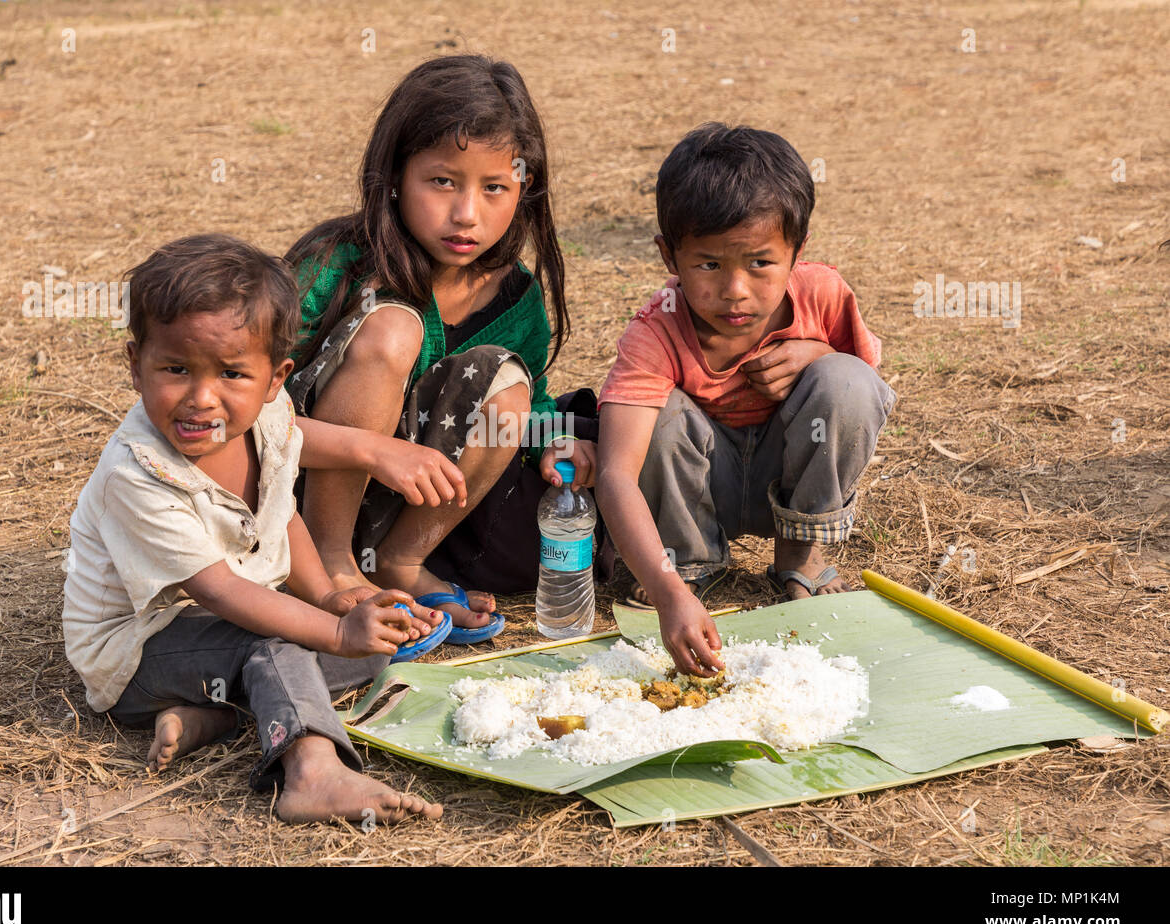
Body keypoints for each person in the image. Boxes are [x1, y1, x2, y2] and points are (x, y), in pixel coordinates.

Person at [62, 233, 443, 825]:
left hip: (223, 631)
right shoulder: (137, 474)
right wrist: (334, 632)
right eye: (176, 368)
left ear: (274, 379)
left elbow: (279, 510)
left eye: (232, 373)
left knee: (385, 652)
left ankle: (213, 714)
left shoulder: (266, 420)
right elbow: (221, 593)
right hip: (137, 654)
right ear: (135, 365)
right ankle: (312, 772)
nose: (201, 398)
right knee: (282, 643)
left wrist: (328, 598)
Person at [283, 55, 599, 644]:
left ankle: (401, 560)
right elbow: (248, 408)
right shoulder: (335, 264)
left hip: (404, 501)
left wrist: (552, 438)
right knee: (394, 328)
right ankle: (331, 566)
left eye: (495, 188)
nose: (466, 214)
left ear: (524, 191)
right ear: (396, 175)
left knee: (510, 387)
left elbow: (535, 404)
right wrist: (370, 449)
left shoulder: (515, 301)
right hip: (296, 494)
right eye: (442, 181)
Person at [596, 124, 896, 676]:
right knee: (655, 414)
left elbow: (862, 396)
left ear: (796, 252)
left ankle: (800, 554)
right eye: (708, 264)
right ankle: (686, 565)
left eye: (760, 262)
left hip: (786, 477)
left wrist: (815, 353)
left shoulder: (821, 295)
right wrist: (663, 589)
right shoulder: (654, 332)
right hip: (702, 486)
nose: (735, 290)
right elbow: (616, 472)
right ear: (670, 256)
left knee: (844, 379)